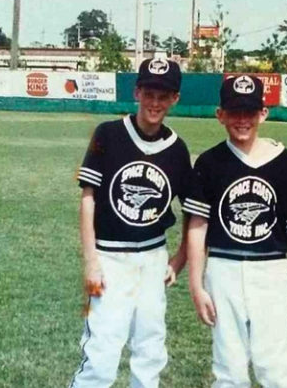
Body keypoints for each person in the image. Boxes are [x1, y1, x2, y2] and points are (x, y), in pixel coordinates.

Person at [183, 75, 287, 388]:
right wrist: (196, 284)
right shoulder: (210, 162)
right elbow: (197, 227)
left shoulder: (282, 161)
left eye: (249, 112)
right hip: (223, 269)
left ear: (263, 113)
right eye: (234, 112)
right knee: (229, 369)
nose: (242, 120)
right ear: (220, 115)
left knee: (276, 368)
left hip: (270, 270)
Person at [69, 57, 192, 388]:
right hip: (109, 257)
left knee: (150, 351)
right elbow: (88, 198)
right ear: (137, 92)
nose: (155, 103)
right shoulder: (108, 134)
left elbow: (194, 211)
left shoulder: (177, 149)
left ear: (175, 99)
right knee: (101, 353)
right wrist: (91, 261)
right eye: (149, 93)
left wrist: (179, 260)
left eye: (163, 96)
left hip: (153, 258)